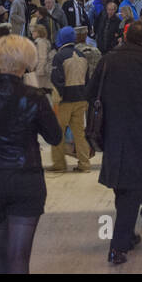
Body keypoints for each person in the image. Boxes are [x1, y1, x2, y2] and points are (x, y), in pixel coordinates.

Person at [0, 35, 63, 273]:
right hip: (26, 179)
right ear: (27, 61)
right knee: (19, 256)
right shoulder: (34, 97)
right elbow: (55, 138)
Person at [87, 20, 142, 264]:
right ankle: (118, 247)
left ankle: (127, 235)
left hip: (112, 133)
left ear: (125, 37)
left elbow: (91, 93)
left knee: (122, 187)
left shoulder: (107, 61)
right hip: (141, 135)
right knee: (132, 189)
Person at [48, 27, 94, 174]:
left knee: (58, 132)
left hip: (65, 101)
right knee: (79, 133)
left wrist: (58, 98)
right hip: (81, 98)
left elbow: (57, 79)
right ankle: (84, 163)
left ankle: (59, 164)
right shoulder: (81, 55)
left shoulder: (59, 56)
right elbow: (87, 80)